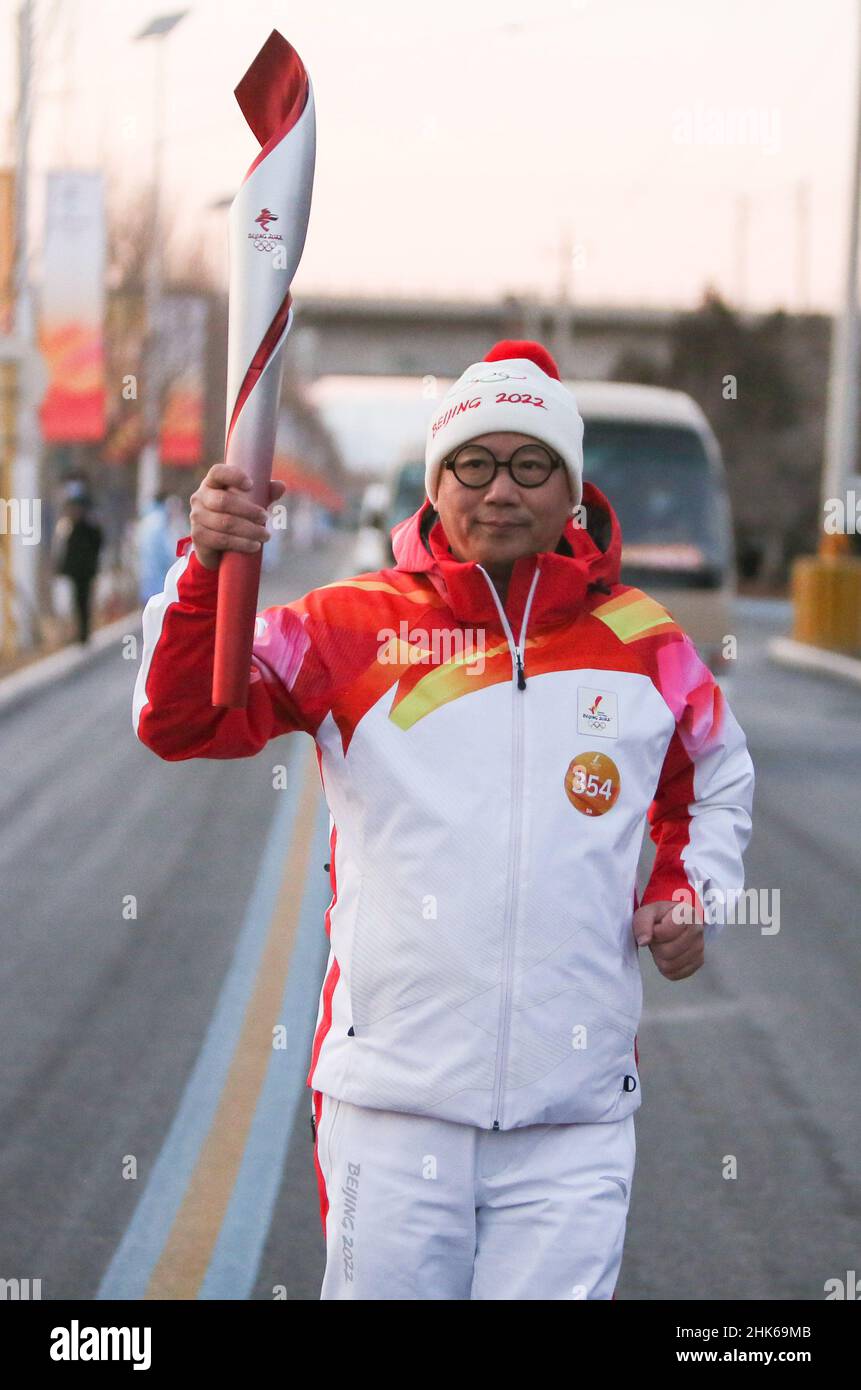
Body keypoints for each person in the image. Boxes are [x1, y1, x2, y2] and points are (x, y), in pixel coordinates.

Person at [132, 341, 755, 1301]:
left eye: (530, 463)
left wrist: (687, 890)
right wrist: (209, 564)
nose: (499, 489)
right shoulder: (346, 626)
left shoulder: (644, 641)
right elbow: (179, 720)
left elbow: (713, 776)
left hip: (573, 1120)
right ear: (437, 482)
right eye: (473, 462)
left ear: (570, 489)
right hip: (392, 1109)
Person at [52, 489, 103, 644]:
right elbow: (63, 550)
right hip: (75, 572)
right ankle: (78, 633)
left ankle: (84, 633)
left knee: (83, 601)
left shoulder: (89, 527)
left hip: (85, 571)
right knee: (75, 601)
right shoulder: (68, 527)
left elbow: (97, 544)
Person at [135, 492, 180, 604]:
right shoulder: (160, 521)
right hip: (159, 578)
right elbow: (166, 552)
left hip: (145, 577)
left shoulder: (145, 520)